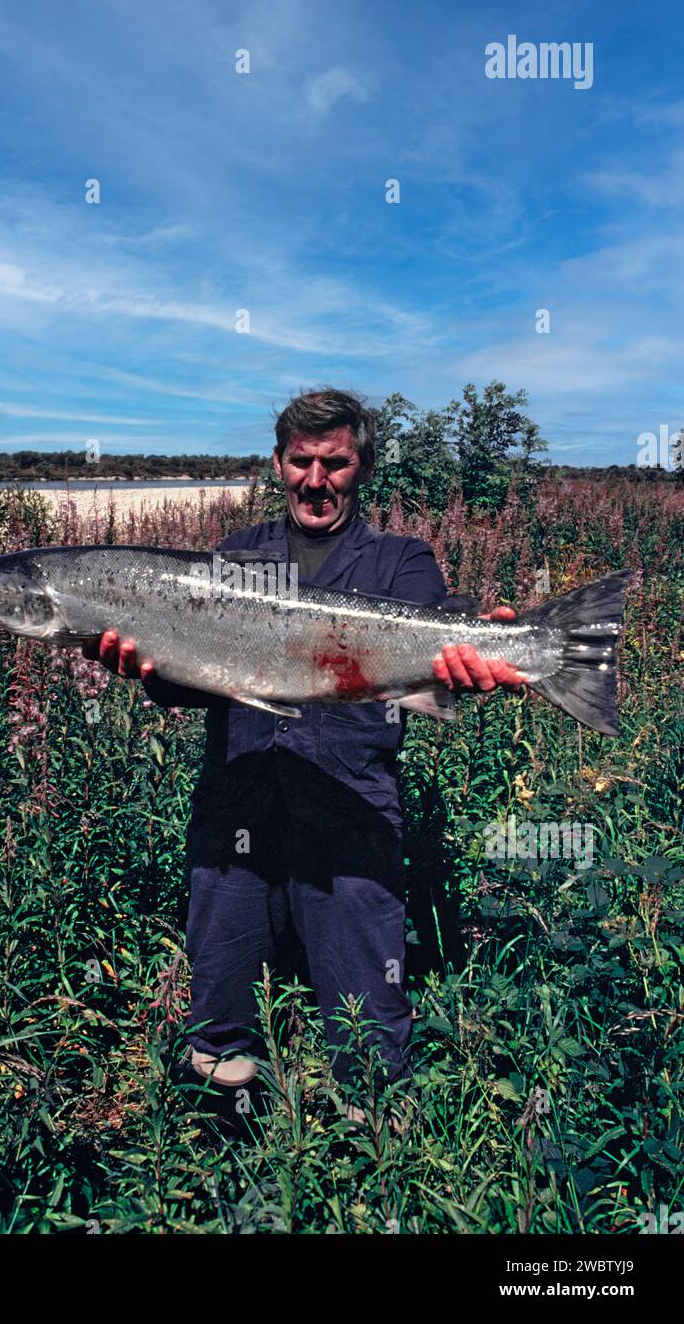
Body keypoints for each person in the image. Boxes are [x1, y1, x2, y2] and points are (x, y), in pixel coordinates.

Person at [82, 389, 525, 1121]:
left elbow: (431, 658)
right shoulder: (237, 561)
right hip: (239, 806)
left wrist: (482, 659)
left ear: (363, 468)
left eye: (336, 463)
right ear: (278, 464)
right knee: (219, 1006)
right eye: (301, 462)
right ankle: (225, 1152)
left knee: (369, 1026)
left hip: (349, 807)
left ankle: (370, 1159)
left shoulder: (401, 563)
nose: (316, 480)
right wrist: (149, 669)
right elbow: (203, 687)